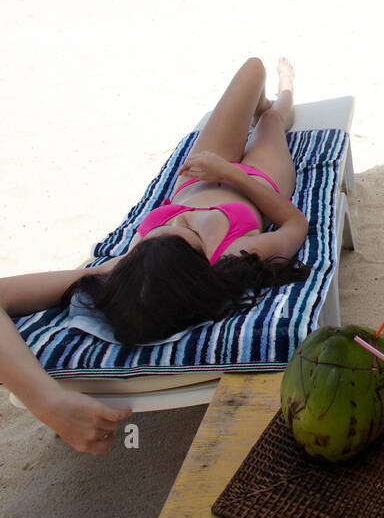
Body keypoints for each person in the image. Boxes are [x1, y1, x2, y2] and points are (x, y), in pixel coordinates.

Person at [0, 57, 309, 454]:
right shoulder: (233, 254)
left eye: (161, 232)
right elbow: (294, 226)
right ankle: (284, 97)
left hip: (193, 177)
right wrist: (232, 175)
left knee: (252, 71)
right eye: (190, 234)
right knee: (270, 123)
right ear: (199, 269)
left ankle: (264, 100)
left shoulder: (126, 270)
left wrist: (47, 401)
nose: (181, 223)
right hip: (257, 182)